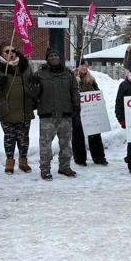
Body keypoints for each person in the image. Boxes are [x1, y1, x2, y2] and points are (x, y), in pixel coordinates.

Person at [0, 42, 35, 175]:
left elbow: (31, 82)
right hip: (6, 109)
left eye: (14, 51)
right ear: (1, 53)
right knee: (9, 138)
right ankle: (9, 163)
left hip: (24, 108)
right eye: (7, 51)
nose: (11, 53)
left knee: (24, 138)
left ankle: (23, 162)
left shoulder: (24, 65)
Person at [32, 47, 79, 180]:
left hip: (65, 114)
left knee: (66, 144)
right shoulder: (40, 74)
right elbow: (33, 95)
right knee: (45, 145)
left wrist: (76, 108)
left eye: (56, 55)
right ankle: (45, 169)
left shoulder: (68, 74)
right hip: (47, 115)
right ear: (47, 59)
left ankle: (65, 167)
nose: (54, 57)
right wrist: (34, 86)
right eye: (51, 56)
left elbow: (74, 91)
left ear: (60, 57)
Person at [72, 59, 109, 167]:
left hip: (91, 112)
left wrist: (99, 104)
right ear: (78, 66)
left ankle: (99, 158)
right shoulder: (72, 78)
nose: (84, 67)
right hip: (77, 111)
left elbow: (97, 93)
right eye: (82, 65)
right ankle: (80, 159)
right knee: (78, 136)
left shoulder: (91, 79)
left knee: (95, 135)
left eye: (86, 66)